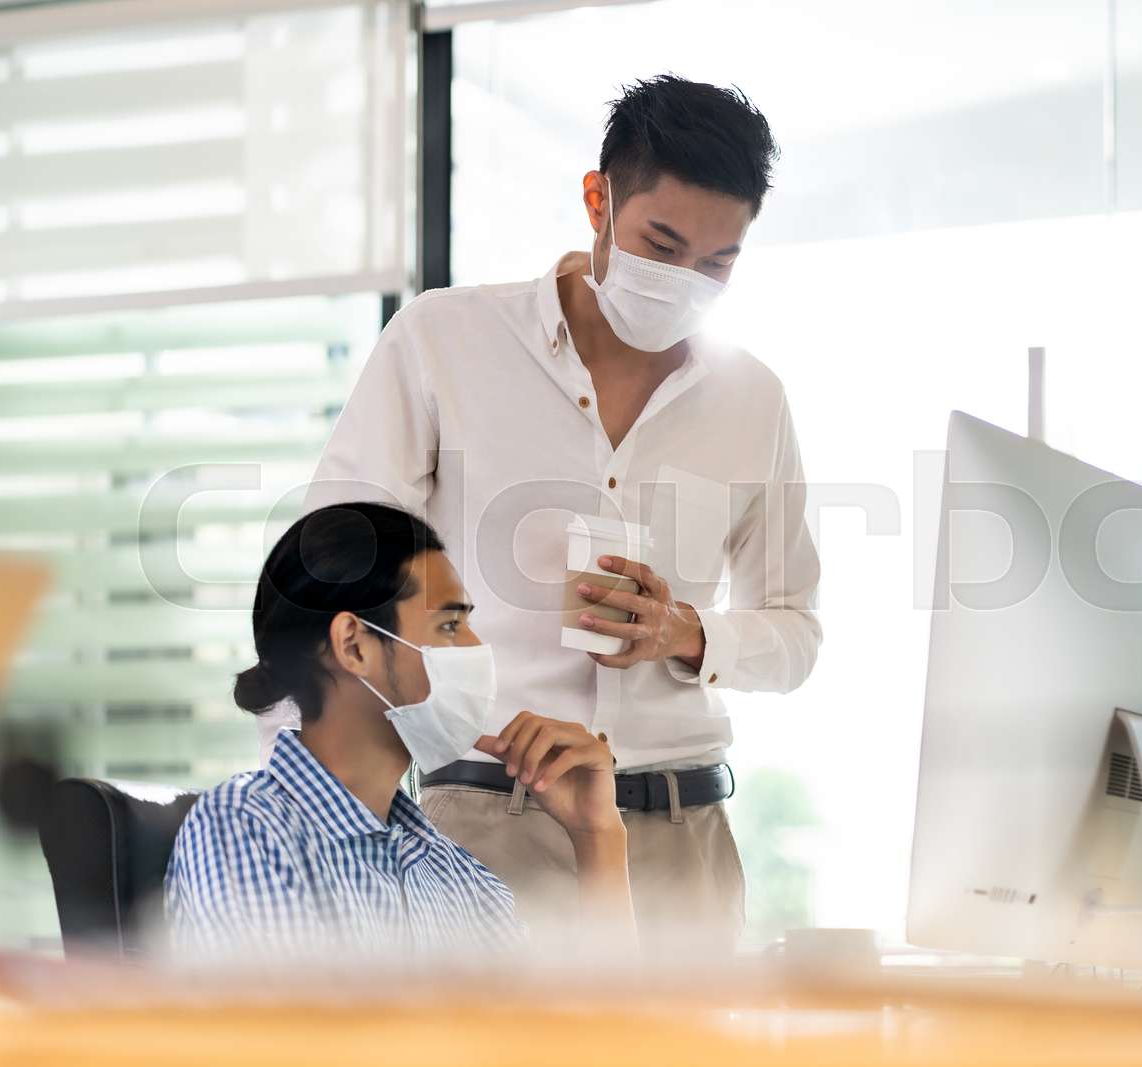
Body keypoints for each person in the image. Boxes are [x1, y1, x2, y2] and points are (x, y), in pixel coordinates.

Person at [271, 75, 822, 952]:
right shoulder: (444, 340)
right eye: (662, 245)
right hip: (485, 825)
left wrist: (687, 633)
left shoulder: (754, 400)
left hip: (683, 842)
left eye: (718, 263)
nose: (686, 282)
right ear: (598, 201)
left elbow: (797, 634)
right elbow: (331, 565)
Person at [166, 502, 633, 961]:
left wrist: (598, 835)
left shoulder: (454, 874)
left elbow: (582, 1034)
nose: (476, 648)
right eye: (450, 624)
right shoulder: (246, 827)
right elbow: (299, 1035)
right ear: (353, 645)